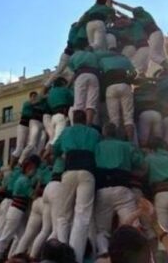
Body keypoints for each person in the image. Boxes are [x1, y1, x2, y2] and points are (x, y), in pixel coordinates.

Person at [53, 110, 101, 263]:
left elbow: (55, 149)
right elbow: (99, 152)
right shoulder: (94, 133)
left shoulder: (66, 132)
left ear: (73, 120)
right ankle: (76, 258)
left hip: (69, 171)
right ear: (85, 119)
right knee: (82, 216)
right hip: (87, 173)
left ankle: (62, 253)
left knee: (63, 215)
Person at [93, 123, 144, 257]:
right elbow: (139, 162)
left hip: (102, 190)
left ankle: (104, 253)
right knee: (132, 225)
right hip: (123, 188)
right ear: (116, 133)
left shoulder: (97, 146)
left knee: (101, 230)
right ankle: (134, 255)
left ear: (104, 133)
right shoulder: (126, 146)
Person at [0, 155, 42, 261]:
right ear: (29, 168)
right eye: (33, 169)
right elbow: (33, 195)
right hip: (16, 211)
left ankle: (13, 258)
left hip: (16, 211)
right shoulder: (24, 181)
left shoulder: (21, 179)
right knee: (6, 237)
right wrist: (39, 184)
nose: (34, 171)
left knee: (21, 237)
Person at [112, 1, 168, 72]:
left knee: (153, 55)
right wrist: (118, 13)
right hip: (156, 35)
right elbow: (127, 19)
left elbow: (128, 10)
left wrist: (116, 3)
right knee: (161, 55)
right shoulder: (138, 20)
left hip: (154, 34)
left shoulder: (141, 18)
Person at [97, 45, 137, 141]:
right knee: (128, 118)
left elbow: (100, 73)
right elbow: (134, 73)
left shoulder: (103, 60)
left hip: (110, 87)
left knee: (114, 119)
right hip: (125, 85)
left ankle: (116, 141)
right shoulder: (125, 59)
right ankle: (130, 142)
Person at [69, 47, 101, 127]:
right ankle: (88, 125)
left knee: (79, 104)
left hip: (81, 76)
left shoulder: (76, 55)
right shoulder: (94, 56)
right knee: (91, 104)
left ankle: (77, 126)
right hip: (94, 76)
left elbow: (72, 67)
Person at [134, 77, 163, 149]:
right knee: (158, 139)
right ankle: (159, 153)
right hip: (157, 114)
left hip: (144, 114)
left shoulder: (137, 91)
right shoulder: (154, 90)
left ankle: (146, 153)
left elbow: (135, 106)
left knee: (144, 141)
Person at [45, 77, 73, 147]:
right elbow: (72, 101)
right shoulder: (64, 90)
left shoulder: (50, 93)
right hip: (62, 116)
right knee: (57, 140)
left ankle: (46, 150)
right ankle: (46, 152)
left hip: (53, 117)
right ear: (63, 83)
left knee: (53, 138)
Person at [12, 92, 39, 161]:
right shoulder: (27, 103)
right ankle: (11, 164)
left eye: (36, 96)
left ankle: (23, 162)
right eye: (33, 96)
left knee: (29, 146)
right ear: (30, 97)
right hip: (23, 126)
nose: (35, 98)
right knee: (19, 148)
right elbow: (33, 103)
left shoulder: (35, 107)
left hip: (29, 127)